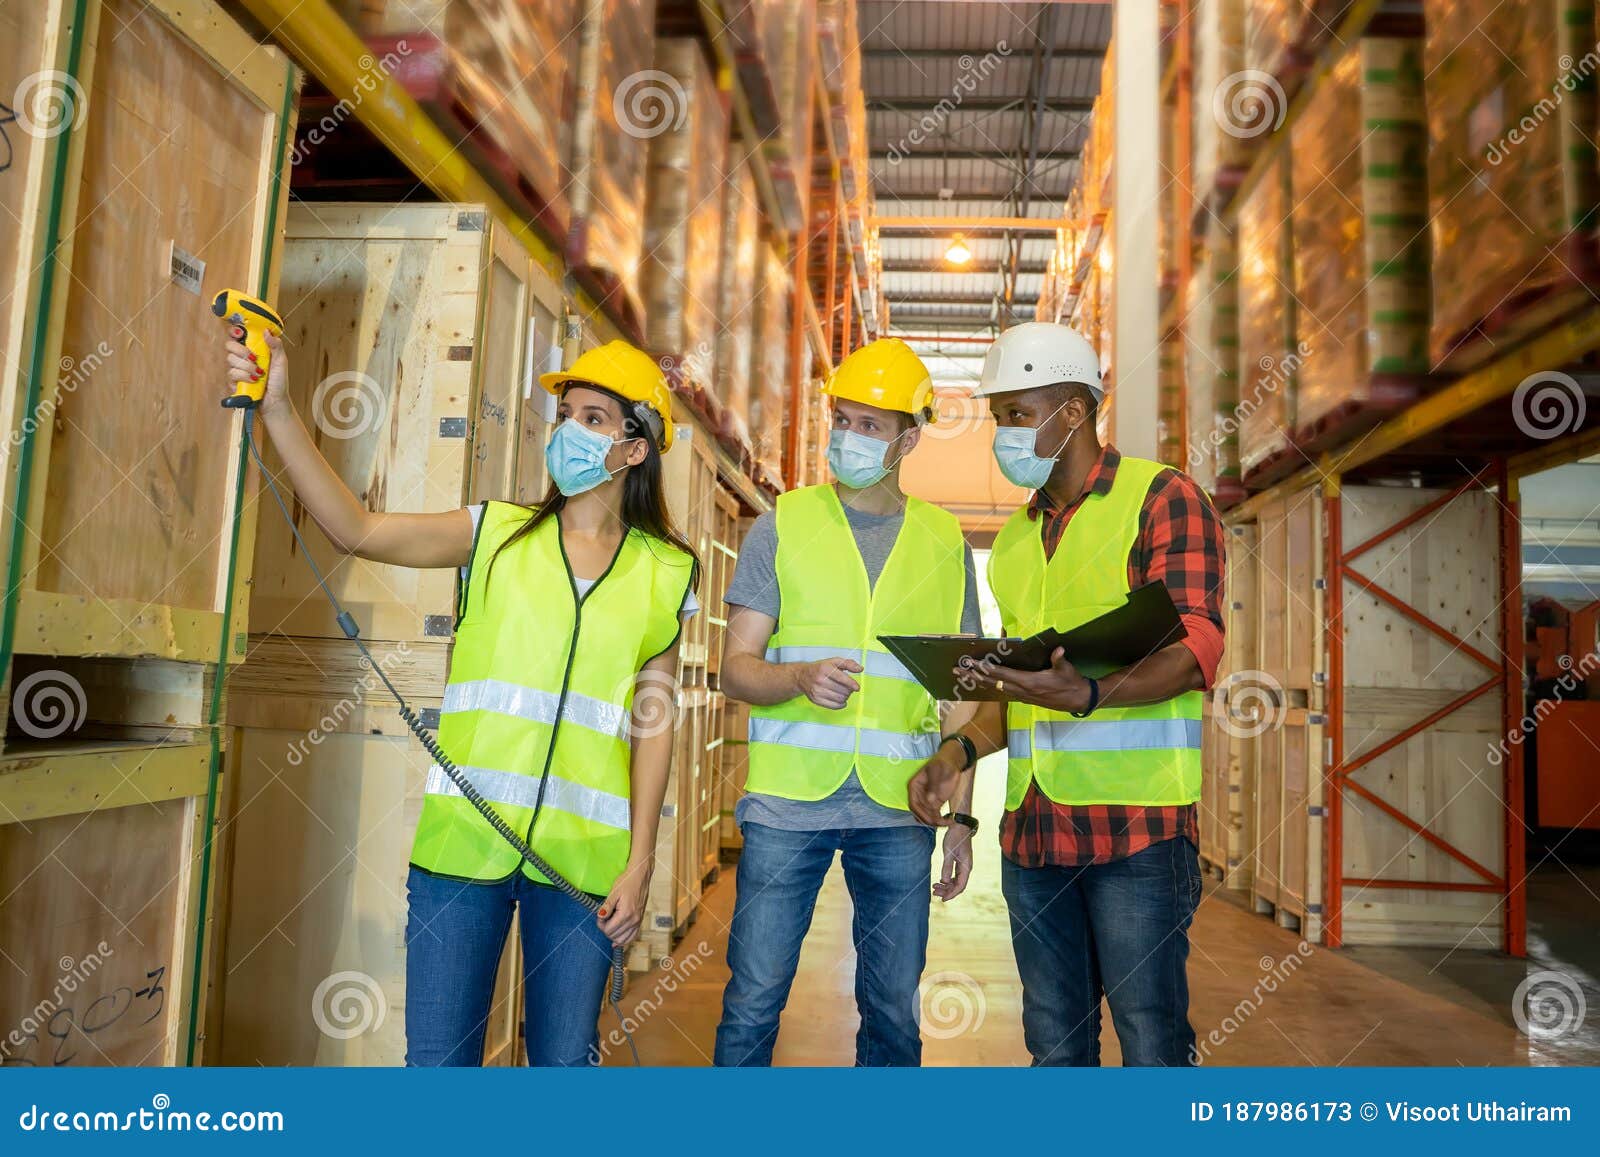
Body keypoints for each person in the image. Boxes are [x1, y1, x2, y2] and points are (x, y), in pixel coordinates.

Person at [221, 332, 699, 1066]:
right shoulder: (495, 535)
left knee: (564, 1065)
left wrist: (641, 863)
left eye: (595, 417)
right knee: (439, 1068)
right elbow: (356, 528)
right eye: (566, 411)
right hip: (461, 850)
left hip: (582, 866)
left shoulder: (669, 570)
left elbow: (655, 726)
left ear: (638, 448)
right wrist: (279, 407)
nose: (569, 428)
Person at [908, 322, 1227, 1067]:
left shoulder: (1163, 498)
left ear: (1074, 412)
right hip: (1033, 830)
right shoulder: (1016, 542)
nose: (1003, 434)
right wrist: (956, 754)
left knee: (1151, 1037)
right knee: (1054, 1043)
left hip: (1136, 831)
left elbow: (1195, 650)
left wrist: (1085, 691)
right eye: (999, 417)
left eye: (1018, 413)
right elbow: (1019, 690)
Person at [714, 338, 983, 1067]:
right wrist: (797, 678)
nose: (849, 437)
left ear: (909, 438)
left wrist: (961, 815)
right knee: (754, 999)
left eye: (872, 425)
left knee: (893, 1010)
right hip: (786, 805)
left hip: (900, 809)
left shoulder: (943, 538)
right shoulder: (784, 523)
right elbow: (734, 668)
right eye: (844, 419)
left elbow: (961, 691)